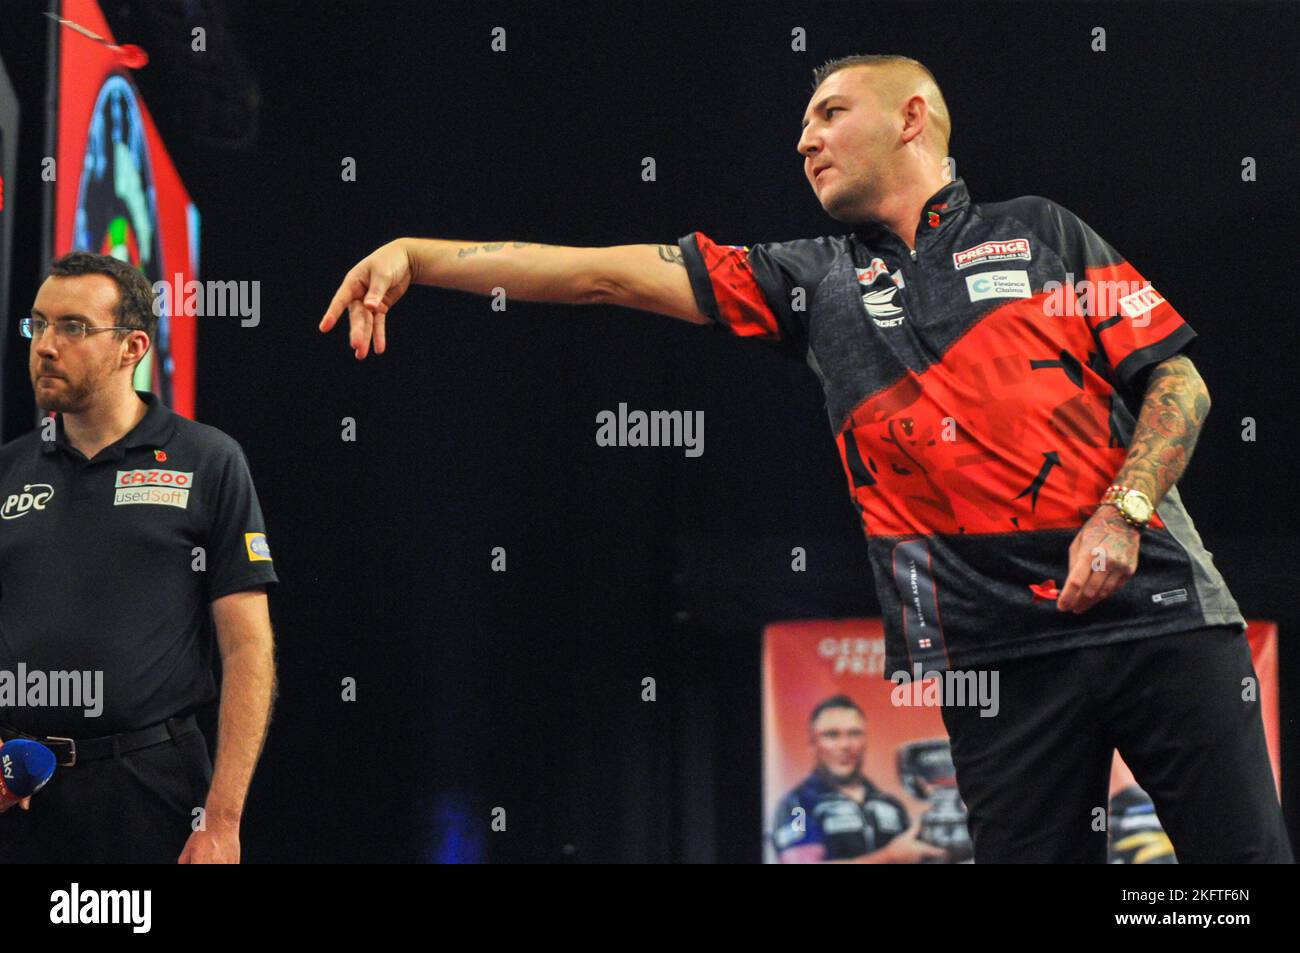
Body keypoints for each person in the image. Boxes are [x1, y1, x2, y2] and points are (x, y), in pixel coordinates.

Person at [319, 54, 1292, 864]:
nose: (803, 139)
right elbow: (601, 275)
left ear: (913, 117)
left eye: (829, 113)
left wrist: (1121, 513)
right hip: (992, 660)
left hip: (1158, 610)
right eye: (800, 123)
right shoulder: (810, 279)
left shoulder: (1043, 230)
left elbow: (1180, 384)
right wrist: (422, 252)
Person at [0, 251, 278, 863]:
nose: (46, 345)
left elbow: (248, 648)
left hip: (149, 786)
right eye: (38, 324)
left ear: (132, 348)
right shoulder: (9, 469)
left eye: (73, 327)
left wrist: (223, 820)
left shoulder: (207, 460)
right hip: (20, 787)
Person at [772, 695, 944, 863]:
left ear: (865, 740)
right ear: (813, 744)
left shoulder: (890, 805)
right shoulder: (797, 805)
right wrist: (889, 857)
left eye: (854, 733)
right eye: (832, 735)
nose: (845, 745)